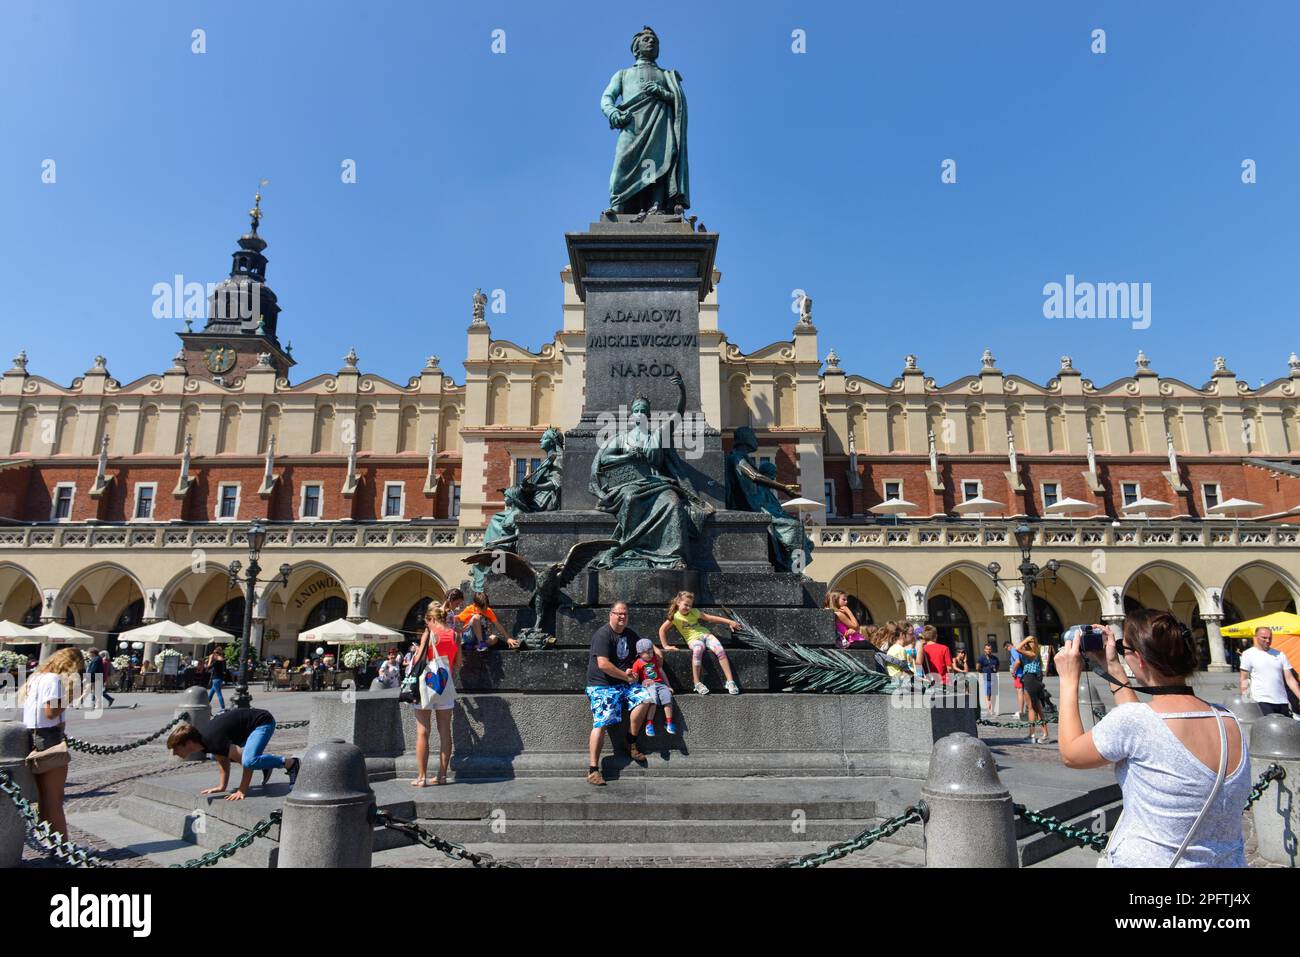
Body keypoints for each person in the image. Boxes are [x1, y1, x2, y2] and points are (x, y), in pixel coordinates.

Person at [1055, 610, 1249, 867]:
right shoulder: (1228, 720)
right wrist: (1112, 666)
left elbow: (1071, 754)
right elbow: (1139, 723)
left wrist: (1069, 679)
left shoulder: (1136, 722)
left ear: (1140, 660)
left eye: (1125, 649)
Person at [585, 602, 655, 785]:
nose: (622, 617)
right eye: (618, 614)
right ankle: (593, 769)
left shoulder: (630, 635)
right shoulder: (602, 635)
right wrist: (625, 676)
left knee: (646, 698)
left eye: (625, 614)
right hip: (602, 686)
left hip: (624, 684)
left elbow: (642, 654)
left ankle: (630, 741)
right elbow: (603, 664)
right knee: (602, 720)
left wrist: (659, 653)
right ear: (611, 615)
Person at [18, 647, 83, 840]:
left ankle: (51, 842)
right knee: (54, 799)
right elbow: (50, 712)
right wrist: (70, 698)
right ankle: (63, 845)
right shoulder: (54, 680)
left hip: (32, 736)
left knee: (44, 798)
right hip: (49, 738)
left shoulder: (36, 677)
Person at [167, 708, 300, 801]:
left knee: (250, 761)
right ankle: (264, 764)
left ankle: (291, 763)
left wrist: (242, 790)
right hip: (245, 730)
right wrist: (222, 787)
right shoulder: (202, 743)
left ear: (188, 743)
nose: (174, 753)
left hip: (262, 722)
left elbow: (245, 763)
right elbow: (222, 759)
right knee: (217, 756)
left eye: (175, 748)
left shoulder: (211, 740)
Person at [409, 603, 460, 787]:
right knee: (445, 731)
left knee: (422, 731)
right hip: (445, 685)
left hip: (426, 685)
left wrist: (418, 649)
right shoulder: (455, 635)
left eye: (427, 622)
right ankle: (442, 776)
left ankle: (421, 777)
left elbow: (417, 660)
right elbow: (457, 662)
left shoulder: (429, 634)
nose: (427, 625)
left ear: (431, 619)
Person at [657, 590, 740, 695]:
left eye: (690, 605)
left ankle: (730, 681)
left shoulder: (694, 612)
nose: (688, 608)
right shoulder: (675, 617)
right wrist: (665, 646)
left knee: (720, 649)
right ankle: (697, 683)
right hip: (693, 640)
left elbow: (710, 618)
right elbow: (662, 630)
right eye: (686, 604)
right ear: (678, 602)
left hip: (706, 635)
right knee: (698, 649)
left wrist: (729, 622)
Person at [1239, 626, 1300, 718]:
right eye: (1264, 637)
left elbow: (1290, 679)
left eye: (1270, 638)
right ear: (1256, 637)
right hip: (1261, 700)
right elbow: (1244, 678)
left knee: (1284, 730)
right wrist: (1246, 699)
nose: (1268, 640)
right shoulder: (1248, 654)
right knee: (1268, 730)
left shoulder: (1280, 654)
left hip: (1282, 700)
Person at [631, 638, 676, 736]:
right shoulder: (637, 663)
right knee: (653, 700)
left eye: (650, 651)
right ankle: (649, 723)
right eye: (646, 653)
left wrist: (668, 685)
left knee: (668, 698)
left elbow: (661, 671)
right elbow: (635, 678)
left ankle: (668, 722)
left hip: (660, 684)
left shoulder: (655, 659)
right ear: (639, 654)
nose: (649, 654)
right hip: (648, 685)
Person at [1016, 635, 1049, 743]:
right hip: (1029, 679)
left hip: (1031, 679)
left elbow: (1017, 648)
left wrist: (1026, 639)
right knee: (1034, 707)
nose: (1025, 644)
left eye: (1027, 642)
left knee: (1033, 708)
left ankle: (1036, 734)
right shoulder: (1030, 653)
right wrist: (1026, 641)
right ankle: (1038, 734)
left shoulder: (1033, 653)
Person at [976, 642, 1000, 716]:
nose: (988, 650)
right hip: (986, 678)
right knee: (988, 694)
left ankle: (992, 709)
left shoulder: (995, 658)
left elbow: (998, 667)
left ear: (991, 650)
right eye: (987, 649)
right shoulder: (981, 658)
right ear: (984, 650)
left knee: (994, 694)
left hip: (994, 678)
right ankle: (989, 709)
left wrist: (995, 670)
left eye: (990, 649)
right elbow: (978, 668)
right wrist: (983, 672)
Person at [1006, 640, 1026, 719]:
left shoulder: (1013, 650)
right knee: (1021, 692)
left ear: (1008, 646)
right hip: (1021, 674)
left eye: (1006, 648)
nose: (1007, 650)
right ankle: (1021, 710)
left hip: (1019, 675)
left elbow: (1017, 661)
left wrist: (1013, 670)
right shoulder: (1018, 650)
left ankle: (1021, 711)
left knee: (1019, 692)